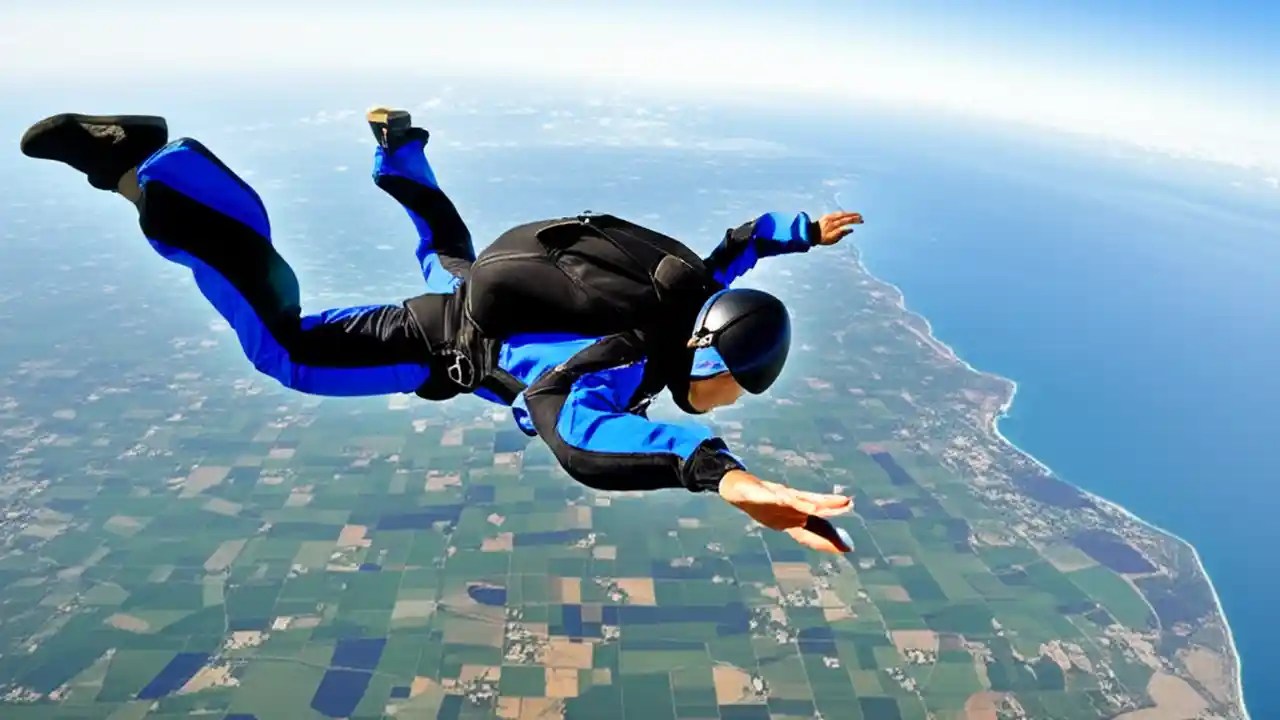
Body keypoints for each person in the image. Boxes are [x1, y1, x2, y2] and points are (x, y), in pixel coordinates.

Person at [19, 107, 864, 555]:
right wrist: (716, 474)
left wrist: (801, 232)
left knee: (445, 252)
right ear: (705, 348)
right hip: (442, 341)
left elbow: (741, 241)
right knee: (288, 351)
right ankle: (152, 175)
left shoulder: (685, 292)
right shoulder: (621, 359)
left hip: (487, 296)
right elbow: (579, 433)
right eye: (732, 383)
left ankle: (400, 150)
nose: (723, 399)